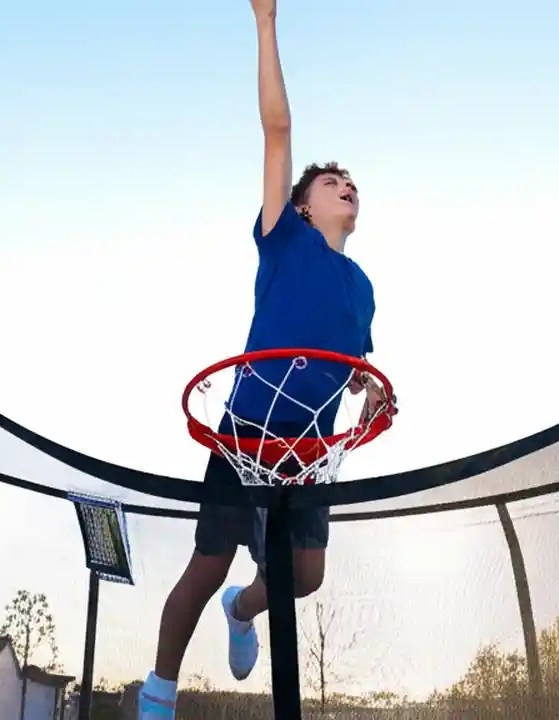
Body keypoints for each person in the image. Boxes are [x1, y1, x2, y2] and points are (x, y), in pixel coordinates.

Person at [138, 1, 386, 716]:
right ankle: (159, 690)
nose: (348, 186)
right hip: (247, 433)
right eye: (332, 181)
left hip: (306, 451)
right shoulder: (285, 237)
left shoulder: (362, 287)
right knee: (206, 559)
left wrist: (371, 399)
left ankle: (241, 610)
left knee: (303, 578)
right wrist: (266, 21)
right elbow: (278, 129)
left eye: (354, 185)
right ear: (303, 205)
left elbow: (351, 368)